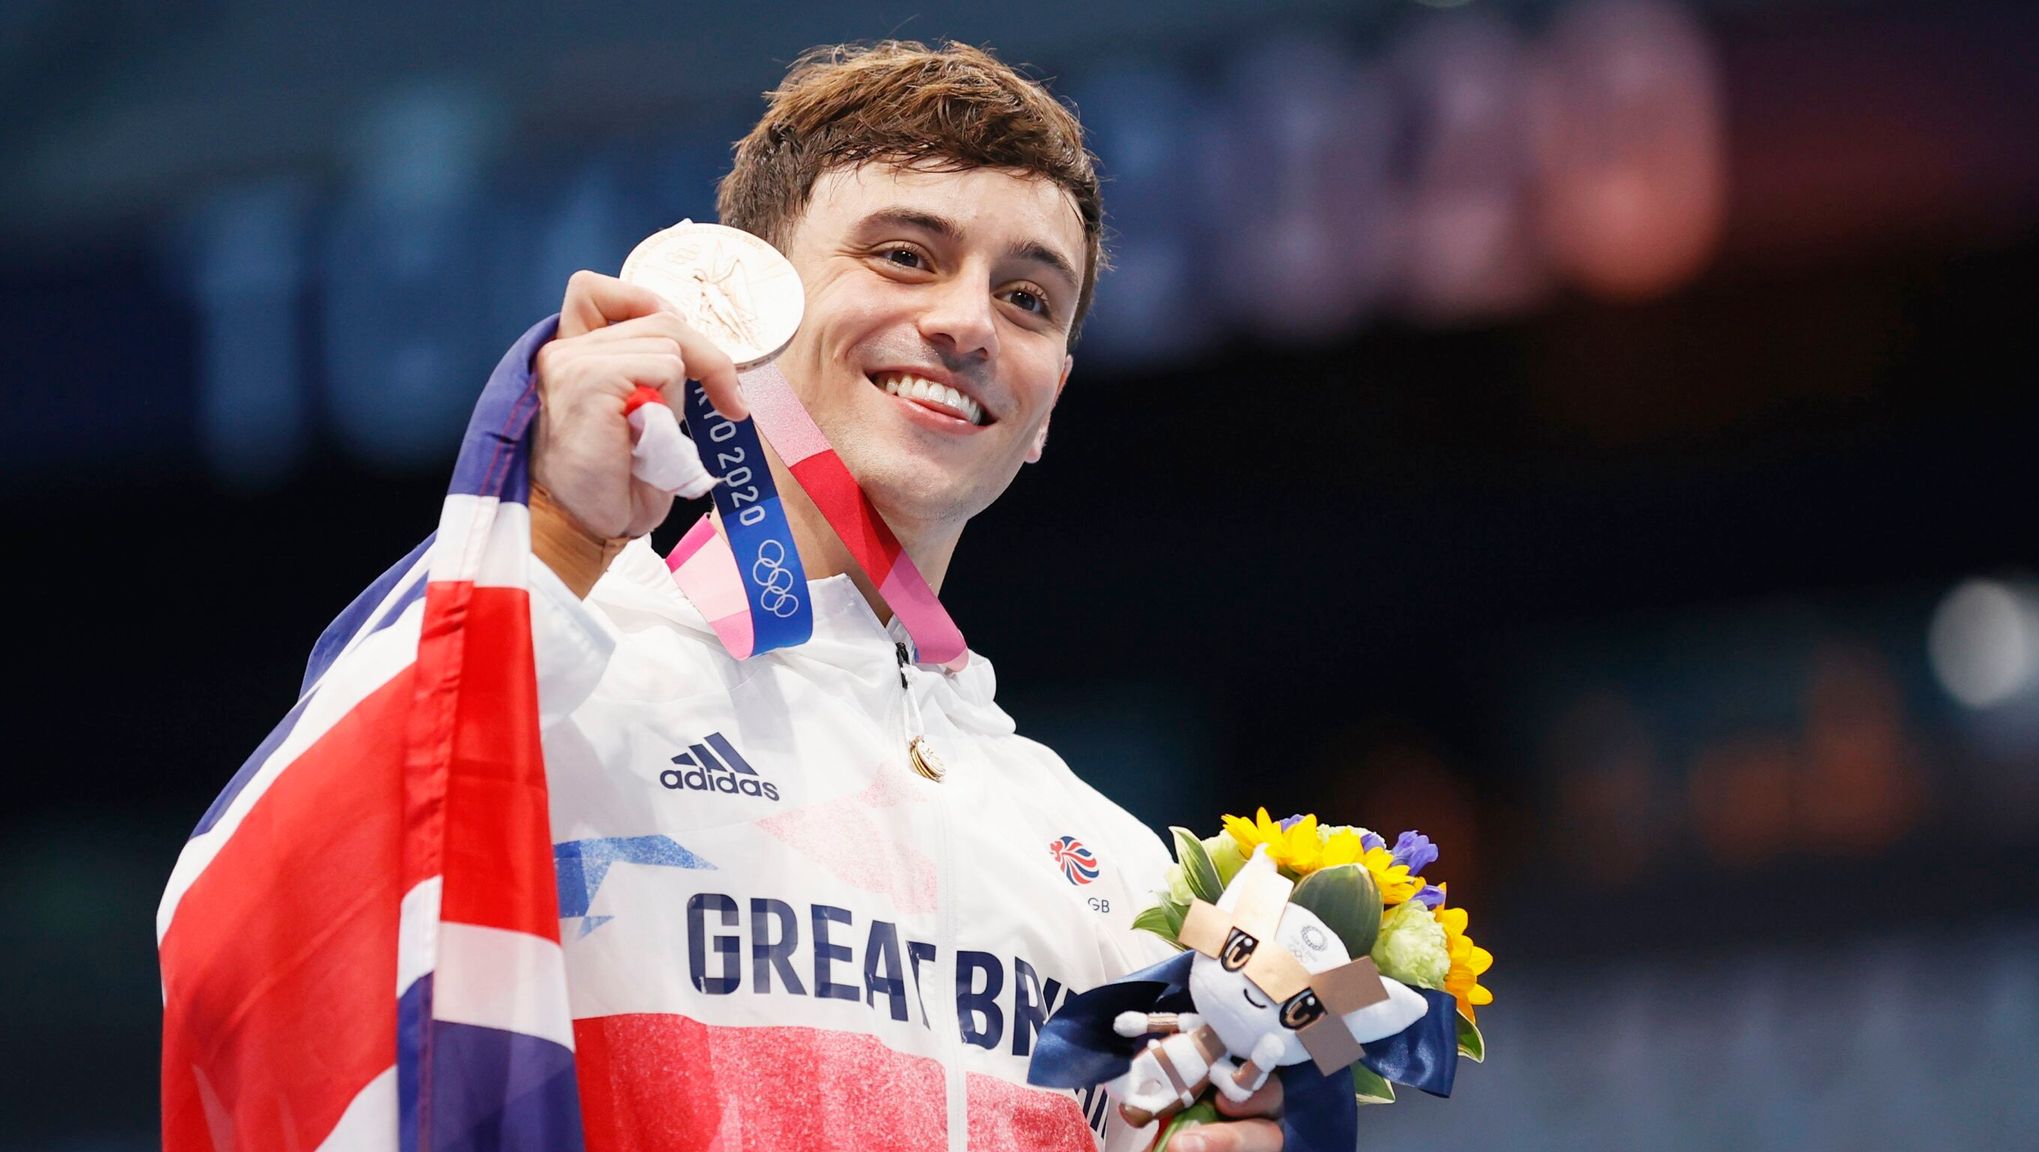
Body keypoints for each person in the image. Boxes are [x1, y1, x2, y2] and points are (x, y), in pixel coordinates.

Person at [184, 41, 1288, 1152]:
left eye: (1028, 299)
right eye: (904, 255)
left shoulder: (1112, 865)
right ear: (739, 306)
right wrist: (552, 539)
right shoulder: (550, 686)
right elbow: (251, 929)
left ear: (1047, 407)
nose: (968, 325)